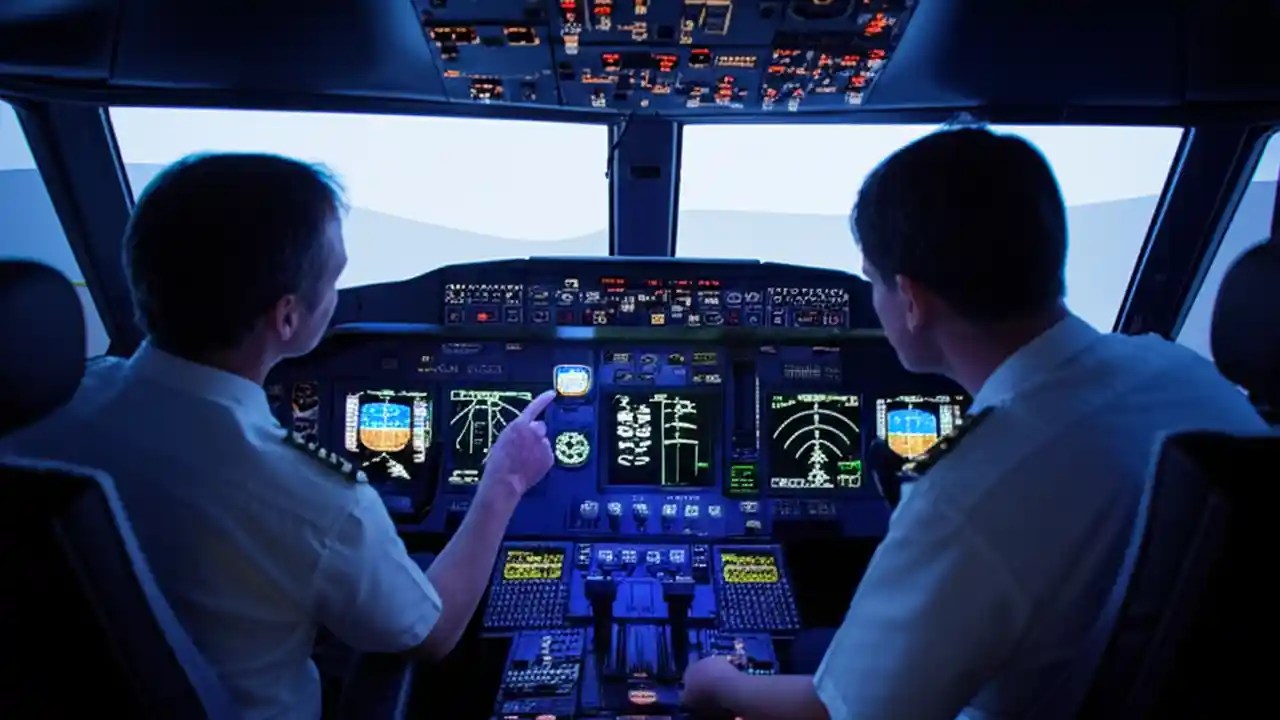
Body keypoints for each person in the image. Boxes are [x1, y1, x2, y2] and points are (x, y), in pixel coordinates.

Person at [680, 127, 1268, 719]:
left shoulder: (967, 487)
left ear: (911, 300)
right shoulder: (1182, 373)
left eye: (872, 280)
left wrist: (716, 683)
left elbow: (845, 714)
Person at [0, 153, 556, 719]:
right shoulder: (313, 497)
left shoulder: (41, 414)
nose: (338, 294)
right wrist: (504, 482)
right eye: (335, 278)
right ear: (286, 317)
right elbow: (432, 636)